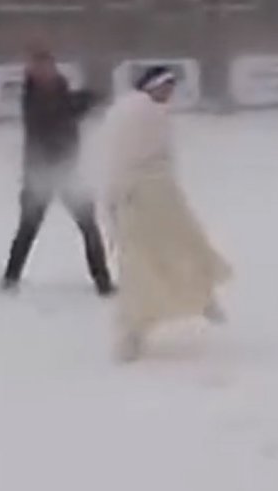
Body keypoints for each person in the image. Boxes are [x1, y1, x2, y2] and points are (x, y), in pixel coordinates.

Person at [101, 66, 232, 362]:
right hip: (141, 196)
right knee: (147, 260)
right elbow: (122, 158)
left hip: (157, 195)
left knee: (178, 248)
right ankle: (135, 331)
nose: (170, 93)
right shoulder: (138, 112)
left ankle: (199, 298)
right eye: (166, 86)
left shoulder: (144, 113)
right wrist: (120, 196)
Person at [1, 50, 114, 296]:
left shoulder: (61, 91)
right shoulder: (30, 97)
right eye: (38, 68)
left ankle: (102, 281)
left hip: (68, 170)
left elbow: (67, 109)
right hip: (39, 172)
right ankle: (10, 278)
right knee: (28, 229)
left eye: (47, 67)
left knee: (89, 227)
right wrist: (84, 103)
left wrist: (86, 101)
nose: (44, 73)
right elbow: (55, 115)